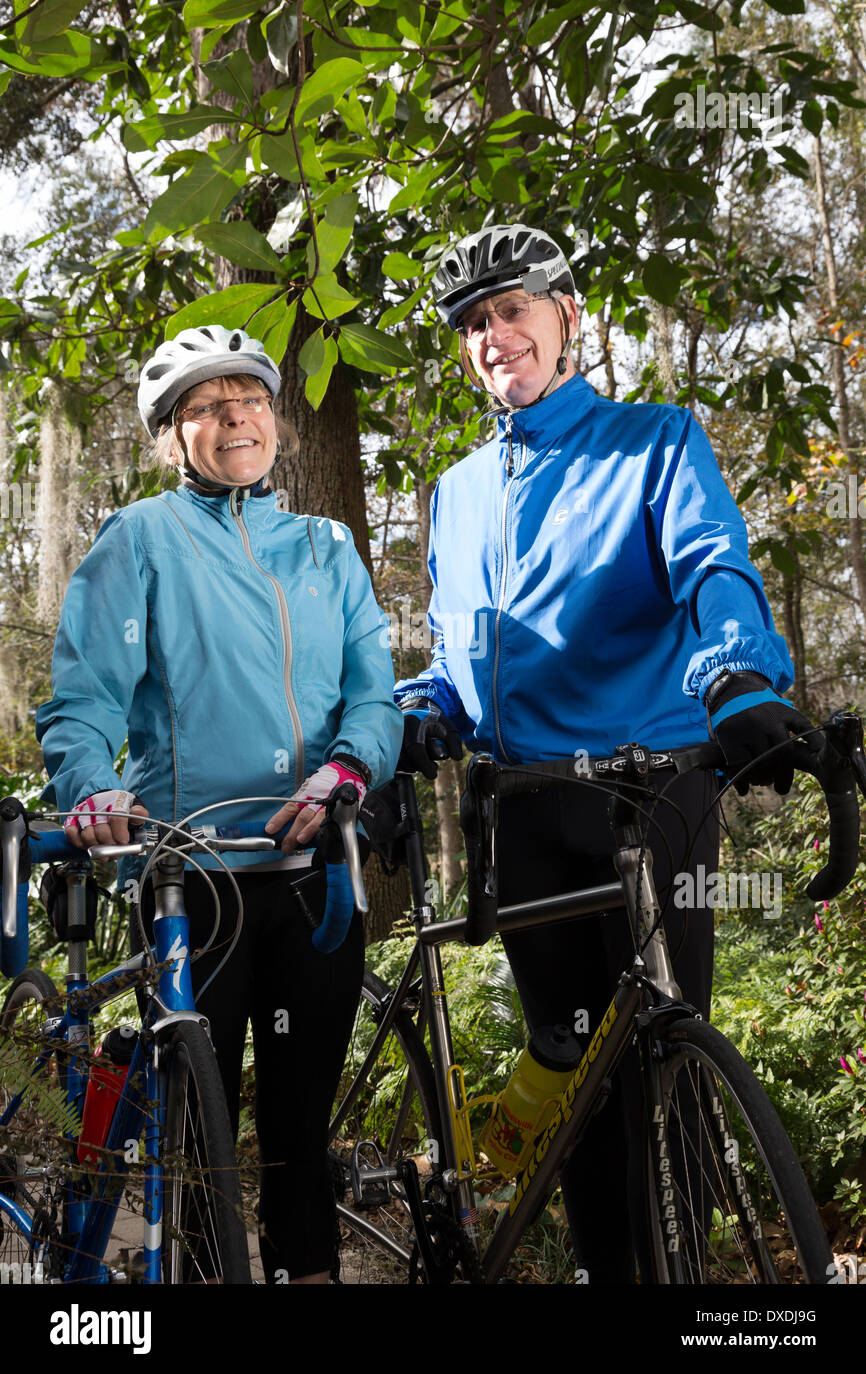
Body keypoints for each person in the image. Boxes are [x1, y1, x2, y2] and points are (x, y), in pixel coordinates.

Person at [394, 224, 820, 1282]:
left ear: (563, 317)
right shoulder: (454, 492)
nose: (493, 338)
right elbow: (459, 656)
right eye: (472, 325)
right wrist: (416, 712)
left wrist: (734, 676)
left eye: (510, 310)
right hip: (526, 806)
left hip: (653, 791)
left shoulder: (655, 439)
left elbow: (712, 565)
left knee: (663, 1062)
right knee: (575, 1066)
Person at [36, 324, 403, 1284]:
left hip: (319, 874)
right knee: (199, 1130)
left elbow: (373, 691)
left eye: (248, 397)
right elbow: (81, 706)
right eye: (204, 405)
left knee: (300, 1124)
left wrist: (348, 771)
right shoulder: (139, 540)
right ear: (170, 439)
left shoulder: (327, 546)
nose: (234, 414)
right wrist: (91, 788)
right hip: (191, 880)